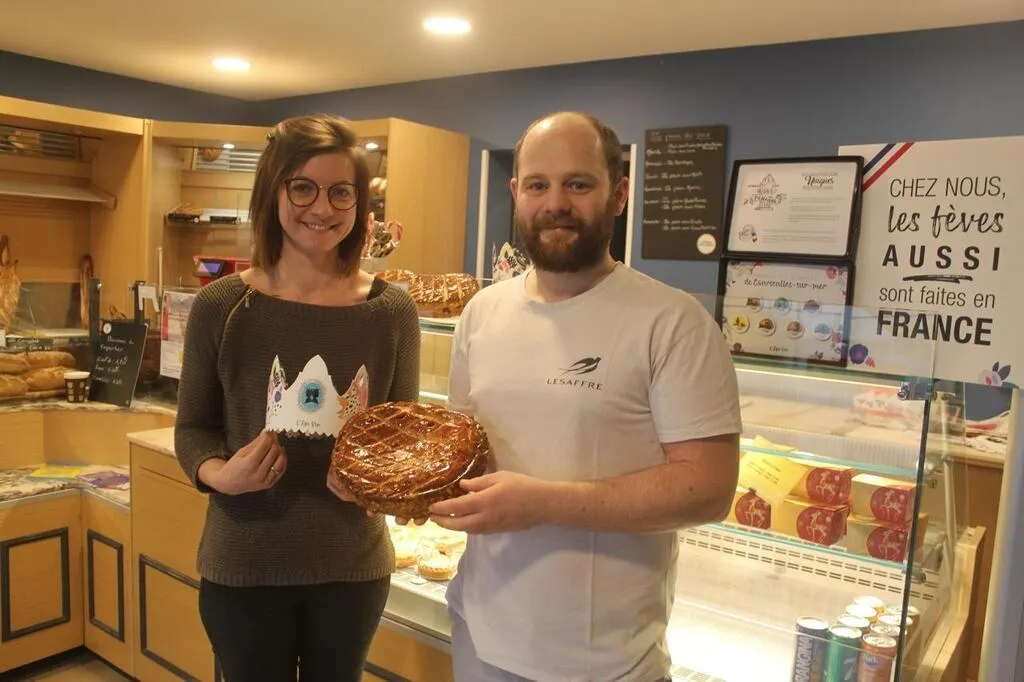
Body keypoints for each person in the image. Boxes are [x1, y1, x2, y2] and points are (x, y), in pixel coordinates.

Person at [428, 112, 743, 681]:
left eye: (578, 184)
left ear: (618, 194)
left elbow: (709, 490)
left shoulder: (672, 322)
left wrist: (543, 502)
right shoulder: (481, 312)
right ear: (515, 193)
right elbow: (464, 449)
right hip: (480, 634)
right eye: (537, 185)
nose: (556, 203)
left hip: (608, 659)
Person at [174, 114, 421, 682]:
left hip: (352, 569)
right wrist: (221, 474)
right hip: (244, 562)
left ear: (360, 205)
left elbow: (400, 440)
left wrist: (374, 482)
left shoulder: (392, 312)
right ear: (273, 191)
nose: (323, 207)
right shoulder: (222, 306)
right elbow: (192, 430)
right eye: (302, 187)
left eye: (341, 192)